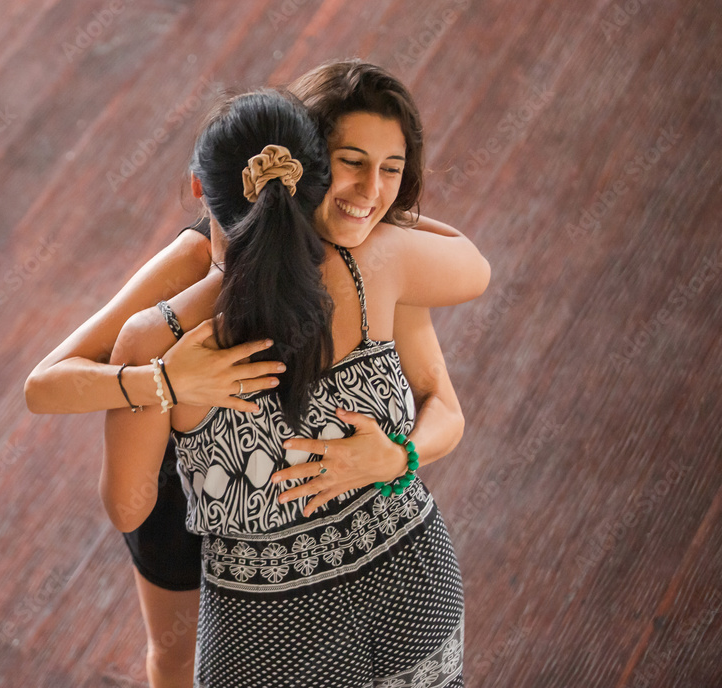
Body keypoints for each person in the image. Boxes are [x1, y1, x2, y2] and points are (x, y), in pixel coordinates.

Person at [26, 60, 480, 687]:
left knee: (170, 653)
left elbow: (127, 507)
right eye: (351, 165)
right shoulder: (378, 261)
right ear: (314, 178)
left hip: (265, 633)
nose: (371, 189)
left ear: (198, 188)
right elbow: (473, 270)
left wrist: (161, 382)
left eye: (389, 171)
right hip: (413, 591)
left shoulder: (159, 334)